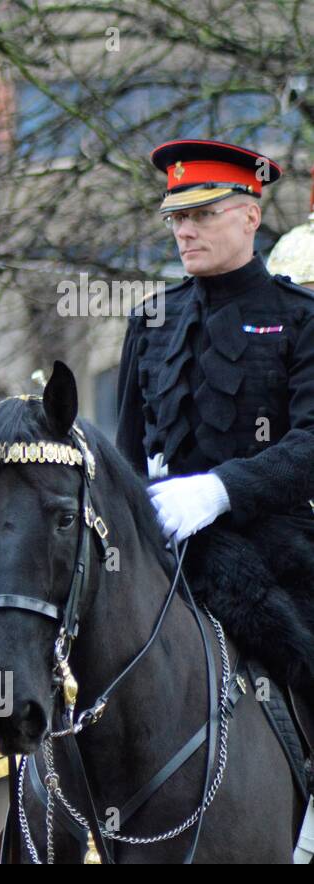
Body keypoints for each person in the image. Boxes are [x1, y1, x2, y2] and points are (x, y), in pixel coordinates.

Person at [115, 139, 314, 698]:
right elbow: (129, 447)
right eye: (177, 217)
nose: (185, 231)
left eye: (203, 214)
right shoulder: (153, 317)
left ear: (251, 216)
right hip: (165, 548)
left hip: (275, 552)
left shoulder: (298, 317)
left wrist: (218, 492)